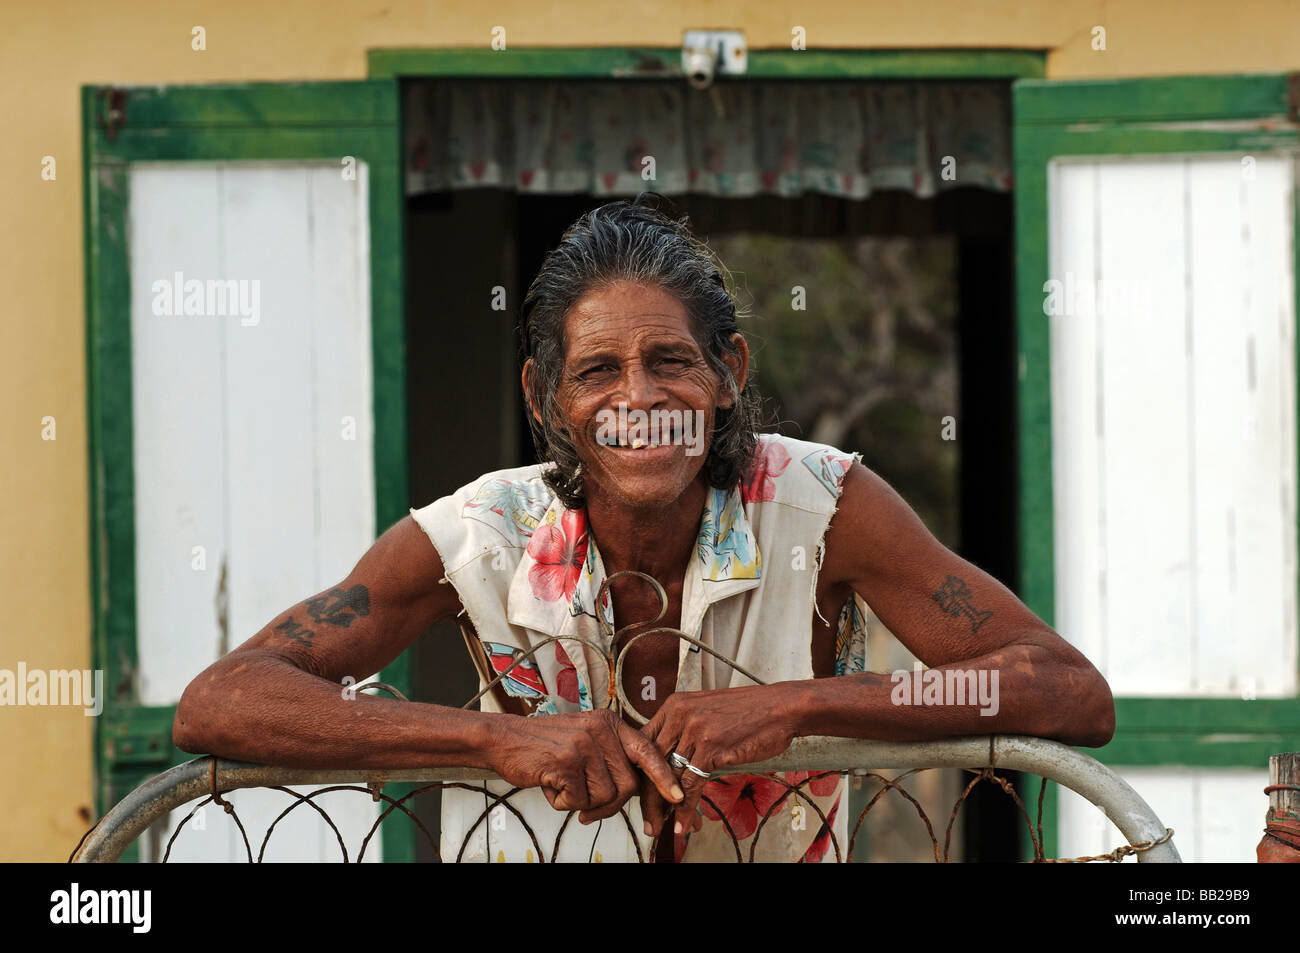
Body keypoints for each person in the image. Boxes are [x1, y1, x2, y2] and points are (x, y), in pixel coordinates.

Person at [174, 194, 1114, 863]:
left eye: (671, 359)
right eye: (596, 371)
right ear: (543, 396)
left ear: (729, 371)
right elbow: (221, 701)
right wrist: (497, 742)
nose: (640, 398)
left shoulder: (822, 504)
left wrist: (798, 706)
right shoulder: (482, 530)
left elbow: (1067, 691)